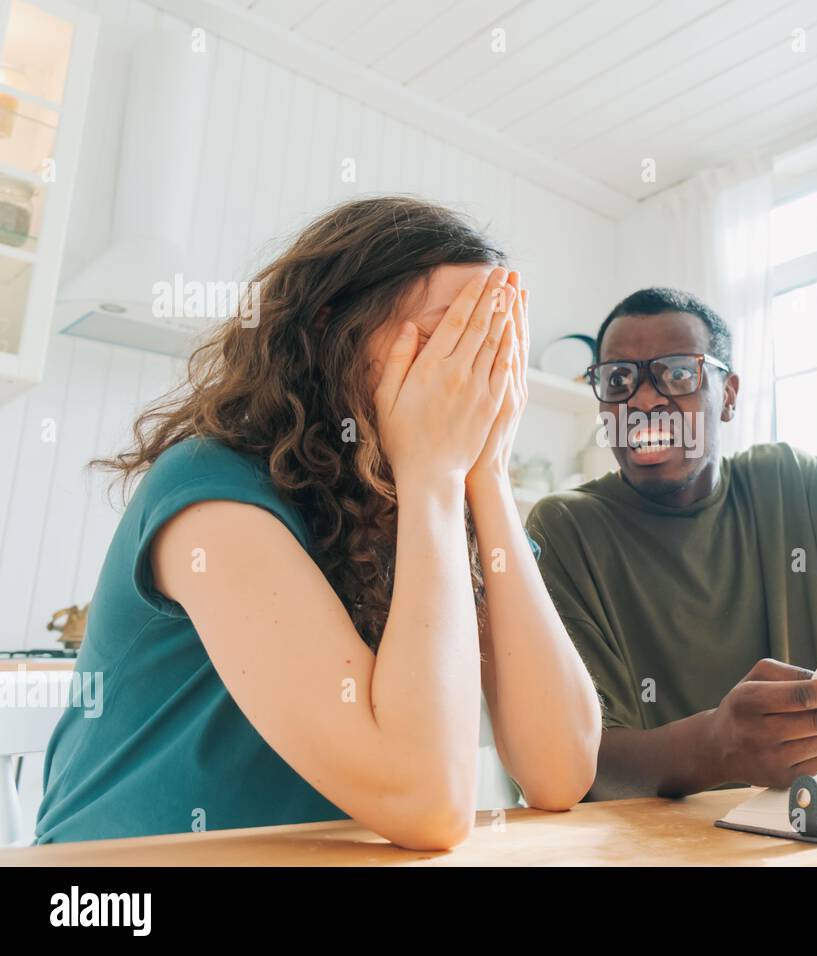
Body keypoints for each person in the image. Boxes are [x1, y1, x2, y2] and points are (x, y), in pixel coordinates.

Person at [35, 197, 601, 846]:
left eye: (492, 350)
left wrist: (488, 473)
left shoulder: (425, 505)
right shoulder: (211, 491)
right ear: (332, 330)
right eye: (450, 336)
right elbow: (425, 802)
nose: (470, 376)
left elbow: (560, 771)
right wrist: (437, 478)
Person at [526, 287, 817, 800]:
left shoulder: (790, 484)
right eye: (617, 379)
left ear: (730, 395)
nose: (644, 398)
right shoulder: (564, 528)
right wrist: (715, 748)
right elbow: (571, 764)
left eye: (678, 372)